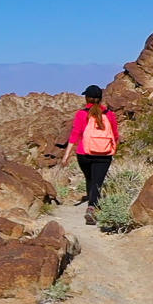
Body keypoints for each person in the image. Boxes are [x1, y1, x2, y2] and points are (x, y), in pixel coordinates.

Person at [61, 85, 121, 225]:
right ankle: (92, 206)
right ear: (100, 99)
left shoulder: (82, 114)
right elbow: (115, 135)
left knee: (90, 178)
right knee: (97, 181)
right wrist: (112, 150)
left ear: (86, 98)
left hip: (84, 153)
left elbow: (74, 135)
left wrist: (66, 156)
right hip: (104, 154)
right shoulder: (109, 114)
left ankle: (91, 201)